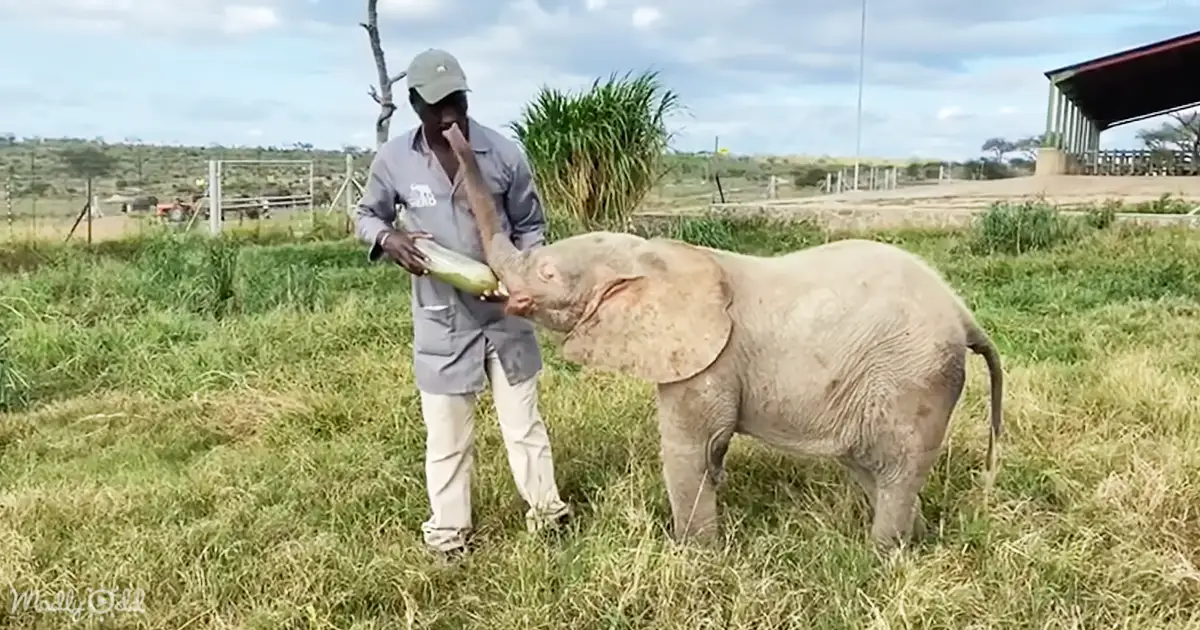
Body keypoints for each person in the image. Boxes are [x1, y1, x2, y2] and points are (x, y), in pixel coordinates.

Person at [354, 48, 571, 559]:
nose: (449, 115)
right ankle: (449, 536)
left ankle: (549, 517)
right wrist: (390, 239)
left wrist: (523, 277)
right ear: (413, 104)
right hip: (443, 320)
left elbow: (532, 226)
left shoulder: (503, 154)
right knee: (447, 437)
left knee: (524, 427)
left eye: (457, 100)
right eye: (436, 106)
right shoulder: (395, 160)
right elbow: (366, 214)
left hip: (506, 316)